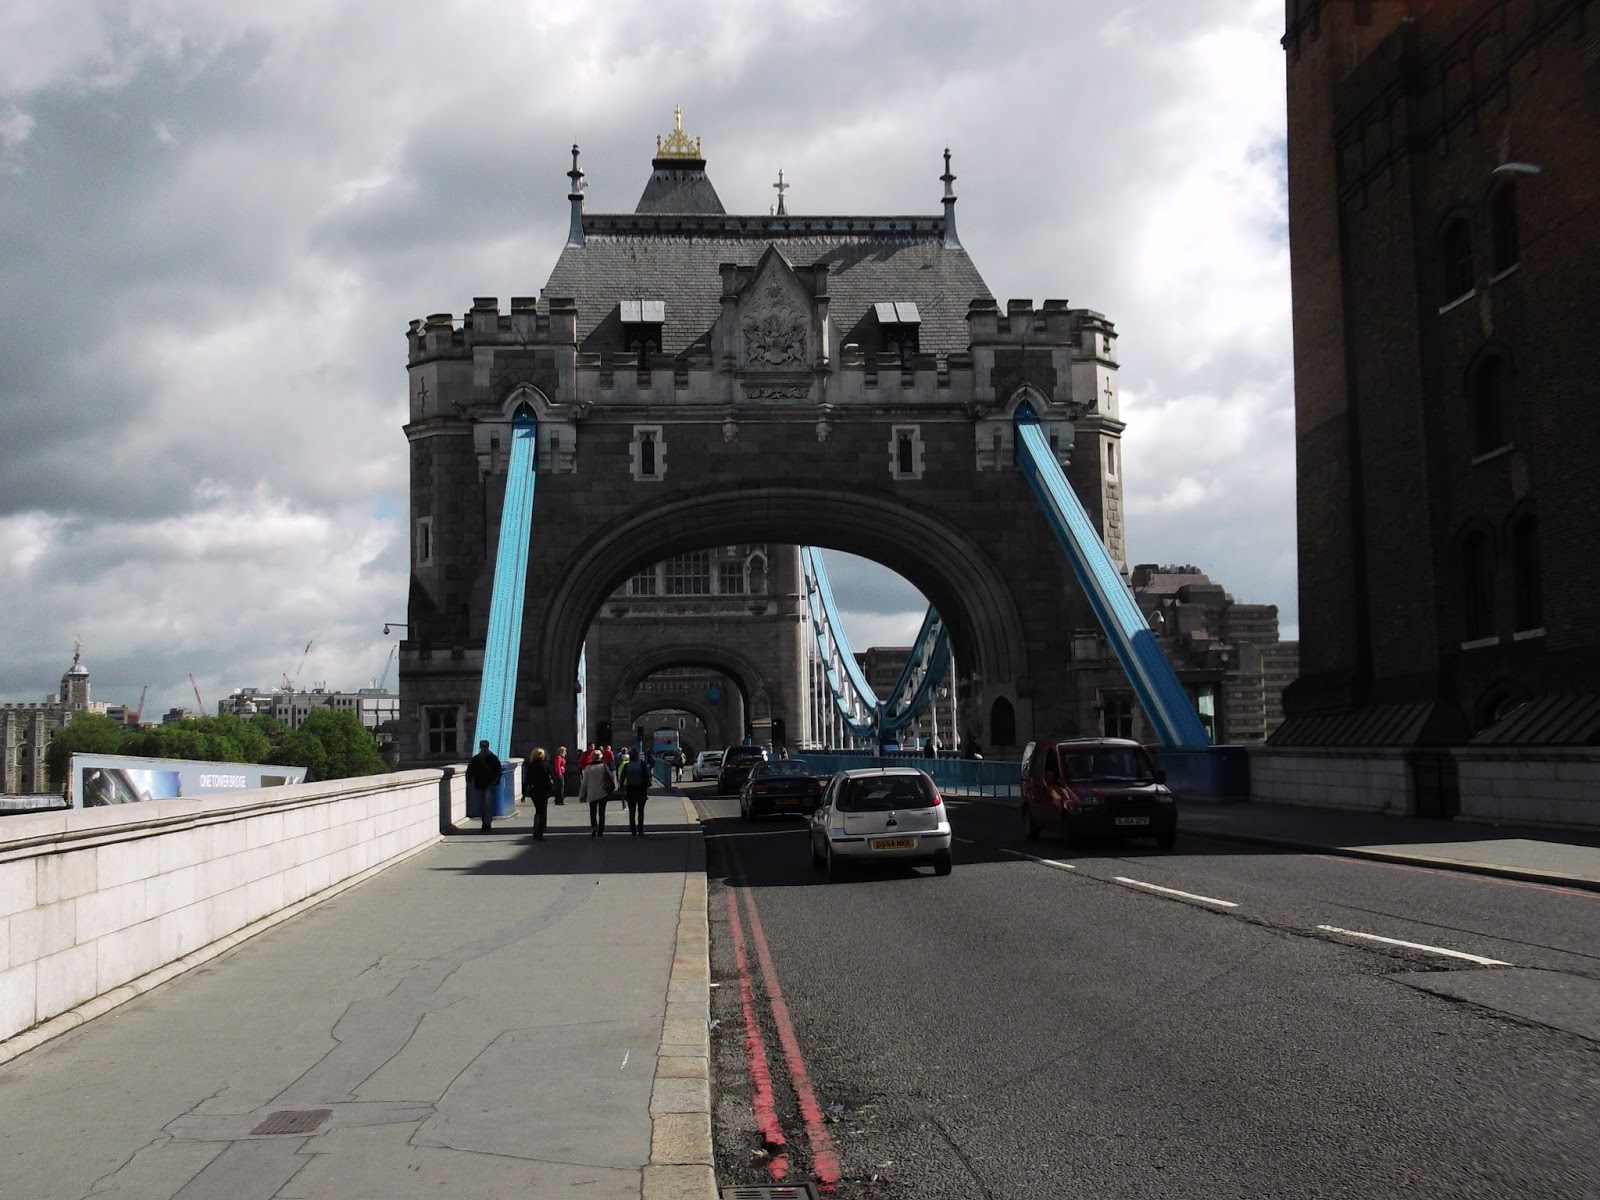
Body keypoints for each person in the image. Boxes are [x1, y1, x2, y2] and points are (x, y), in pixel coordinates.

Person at [466, 739, 503, 832]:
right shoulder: (491, 758)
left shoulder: (479, 758)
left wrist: (469, 779)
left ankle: (486, 823)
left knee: (486, 804)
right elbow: (470, 770)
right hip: (482, 784)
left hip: (488, 784)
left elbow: (498, 771)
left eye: (485, 747)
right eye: (483, 747)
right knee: (483, 804)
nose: (484, 748)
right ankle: (485, 822)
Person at [578, 751, 617, 837]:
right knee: (601, 812)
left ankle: (594, 827)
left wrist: (582, 794)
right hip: (603, 792)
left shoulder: (588, 768)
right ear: (600, 757)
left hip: (592, 792)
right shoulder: (603, 766)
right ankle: (601, 830)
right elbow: (611, 776)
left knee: (593, 811)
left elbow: (584, 782)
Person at [523, 747, 556, 840]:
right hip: (544, 789)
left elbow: (527, 779)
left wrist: (523, 793)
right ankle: (541, 830)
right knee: (543, 810)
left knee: (537, 810)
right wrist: (553, 788)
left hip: (534, 790)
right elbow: (552, 777)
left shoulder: (530, 765)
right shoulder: (546, 765)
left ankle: (535, 829)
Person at [621, 749, 653, 837]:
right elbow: (648, 775)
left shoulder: (627, 765)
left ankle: (633, 831)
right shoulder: (642, 764)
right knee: (641, 811)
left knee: (632, 812)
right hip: (641, 790)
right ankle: (641, 830)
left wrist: (622, 789)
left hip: (631, 790)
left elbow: (622, 778)